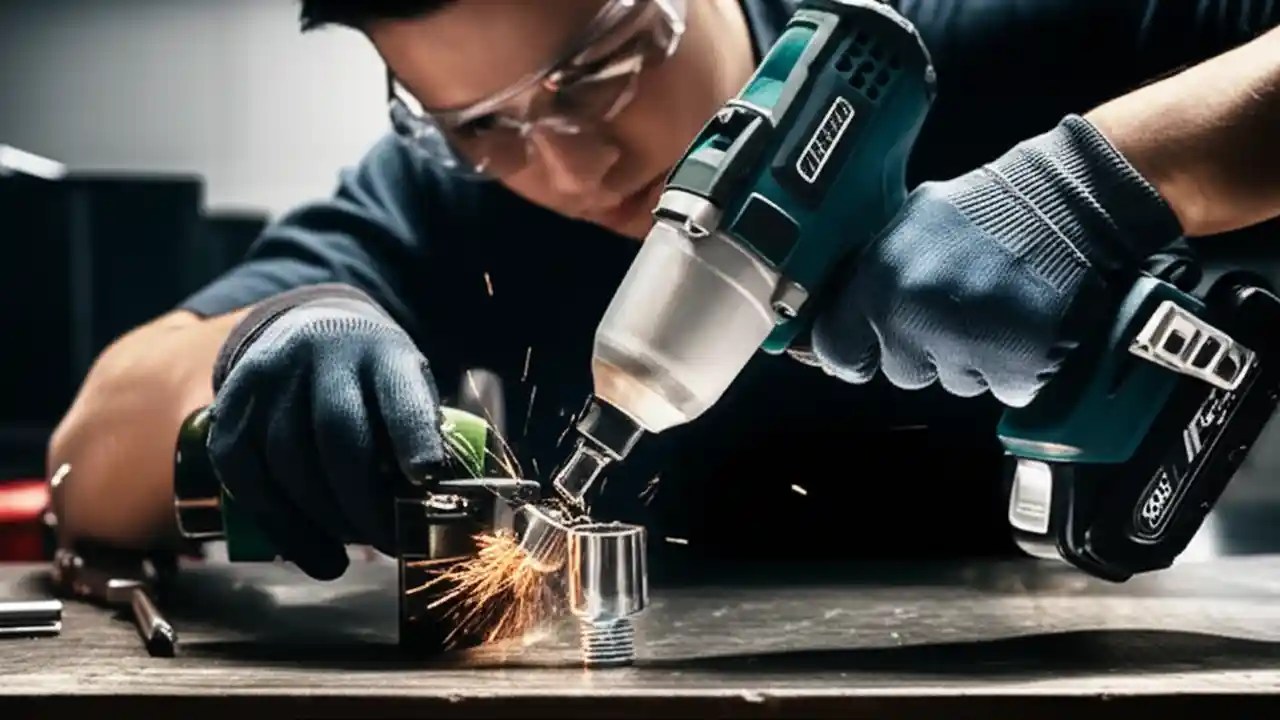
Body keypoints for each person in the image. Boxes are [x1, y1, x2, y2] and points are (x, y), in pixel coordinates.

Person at [47, 0, 1278, 582]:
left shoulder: (946, 40)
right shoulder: (445, 204)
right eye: (481, 126)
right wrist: (277, 337)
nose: (569, 167)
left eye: (597, 67)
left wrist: (1101, 183)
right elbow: (91, 457)